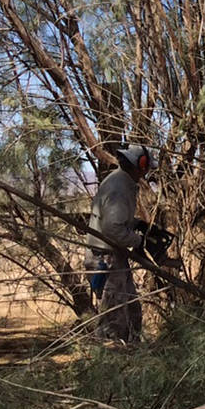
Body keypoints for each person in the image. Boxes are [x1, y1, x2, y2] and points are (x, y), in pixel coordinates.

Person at [84, 144, 154, 343]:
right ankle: (113, 362)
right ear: (139, 165)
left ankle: (132, 355)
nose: (147, 172)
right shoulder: (120, 188)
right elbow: (113, 229)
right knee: (113, 321)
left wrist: (135, 224)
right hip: (106, 258)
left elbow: (115, 220)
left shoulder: (120, 181)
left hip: (114, 257)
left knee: (131, 312)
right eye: (146, 167)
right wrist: (138, 240)